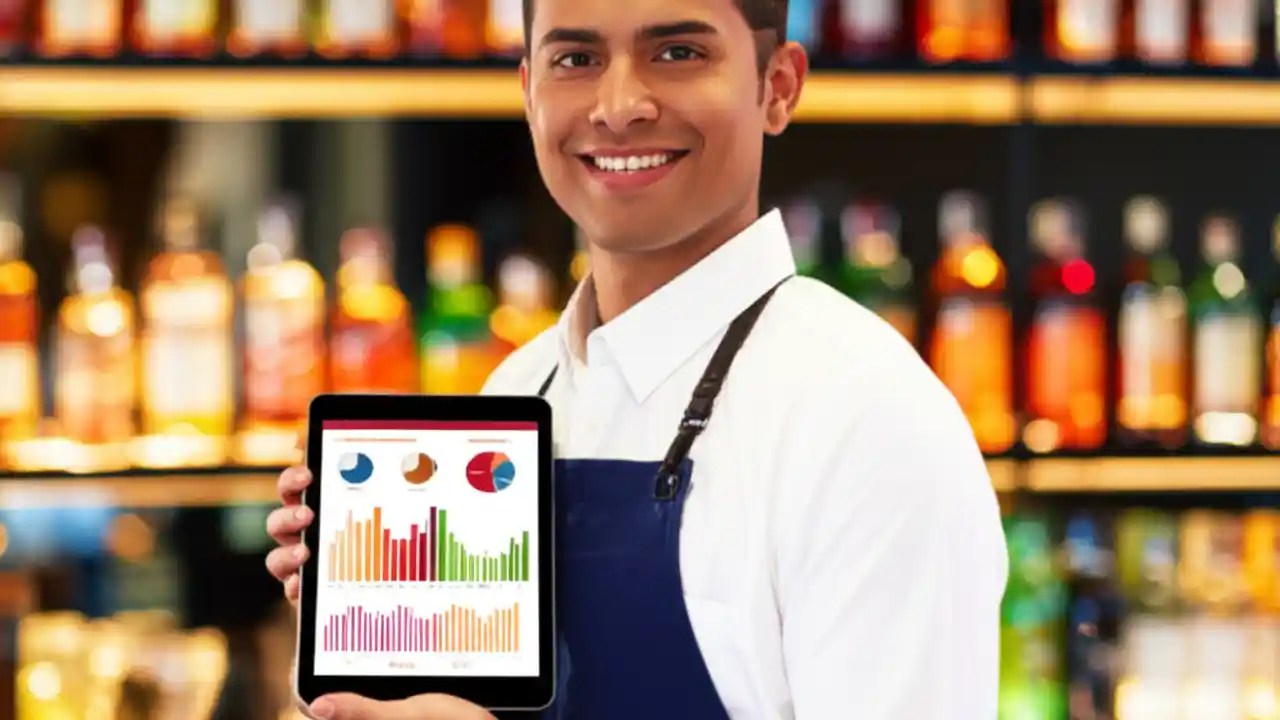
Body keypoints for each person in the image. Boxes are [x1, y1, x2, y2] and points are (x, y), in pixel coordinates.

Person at [265, 0, 1009, 717]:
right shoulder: (519, 390)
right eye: (577, 58)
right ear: (529, 93)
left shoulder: (866, 418)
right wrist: (371, 644)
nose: (619, 105)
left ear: (776, 86)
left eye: (678, 52)